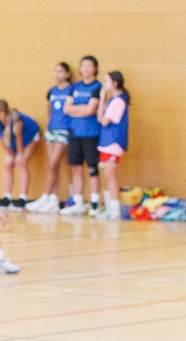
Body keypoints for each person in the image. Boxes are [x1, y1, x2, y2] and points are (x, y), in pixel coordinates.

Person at [27, 62, 74, 213]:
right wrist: (49, 126)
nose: (57, 74)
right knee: (53, 164)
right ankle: (52, 199)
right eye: (55, 71)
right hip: (52, 130)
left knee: (54, 162)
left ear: (67, 74)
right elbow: (49, 110)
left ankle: (45, 195)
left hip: (64, 130)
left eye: (60, 71)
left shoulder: (71, 89)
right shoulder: (52, 91)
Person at [59, 55, 102, 215]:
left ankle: (95, 205)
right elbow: (66, 108)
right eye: (82, 65)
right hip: (75, 132)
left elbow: (91, 109)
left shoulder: (99, 87)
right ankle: (78, 203)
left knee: (92, 169)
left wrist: (80, 110)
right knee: (76, 168)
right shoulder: (75, 87)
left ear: (94, 68)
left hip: (91, 133)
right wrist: (82, 110)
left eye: (88, 66)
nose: (85, 69)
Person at [0, 100, 40, 210]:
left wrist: (20, 154)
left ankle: (22, 198)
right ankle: (7, 197)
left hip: (29, 136)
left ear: (1, 112)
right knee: (8, 163)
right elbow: (1, 140)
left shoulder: (16, 119)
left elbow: (18, 137)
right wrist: (9, 152)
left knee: (20, 162)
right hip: (12, 140)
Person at [93, 71, 130, 221]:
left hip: (113, 142)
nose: (104, 84)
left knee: (111, 175)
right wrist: (102, 98)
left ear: (115, 83)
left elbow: (105, 121)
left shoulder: (119, 101)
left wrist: (103, 102)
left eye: (106, 81)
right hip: (105, 142)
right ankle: (109, 207)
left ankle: (115, 209)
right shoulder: (111, 100)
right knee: (106, 175)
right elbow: (100, 117)